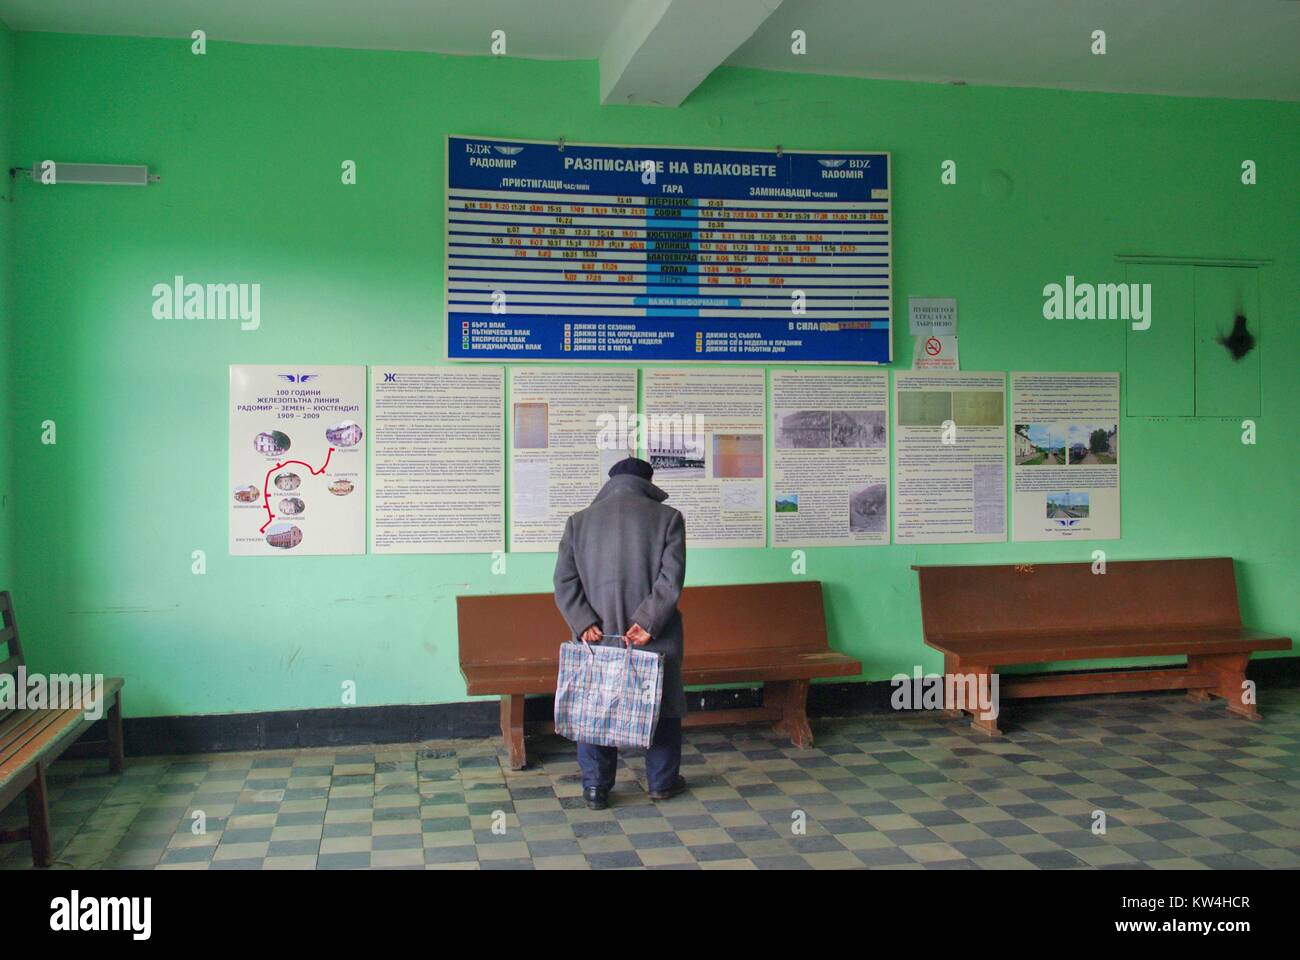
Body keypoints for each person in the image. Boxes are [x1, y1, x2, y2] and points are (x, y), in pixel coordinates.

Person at [553, 455, 687, 810]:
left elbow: (564, 582)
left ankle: (596, 787)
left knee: (594, 705)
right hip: (652, 636)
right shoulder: (668, 519)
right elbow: (670, 579)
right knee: (660, 704)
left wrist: (584, 622)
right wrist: (646, 623)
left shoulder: (578, 522)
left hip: (596, 637)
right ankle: (661, 782)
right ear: (648, 482)